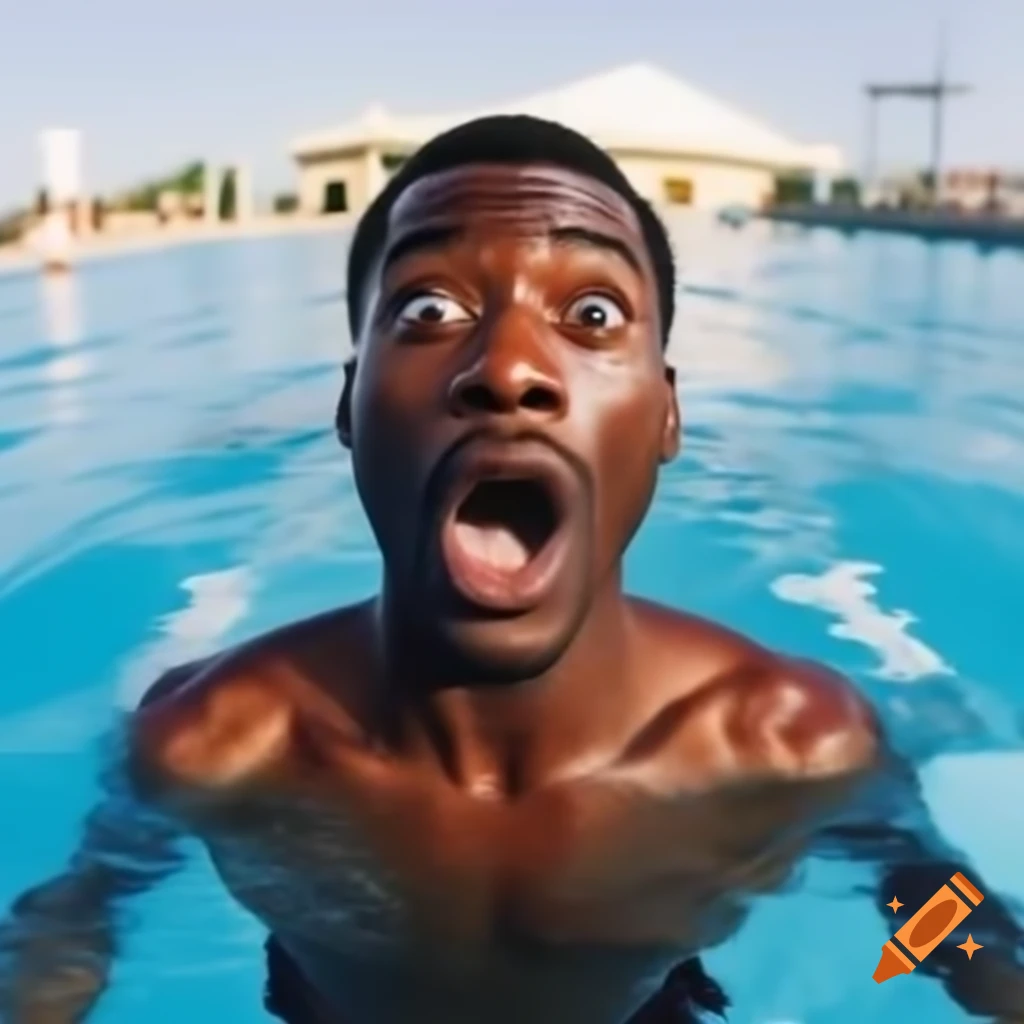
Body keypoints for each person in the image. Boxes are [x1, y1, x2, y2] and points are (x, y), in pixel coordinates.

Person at [1, 115, 1022, 1024]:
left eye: (591, 316)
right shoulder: (217, 741)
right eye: (428, 311)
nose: (507, 368)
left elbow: (927, 897)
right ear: (350, 407)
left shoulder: (789, 741)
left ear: (667, 413)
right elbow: (78, 917)